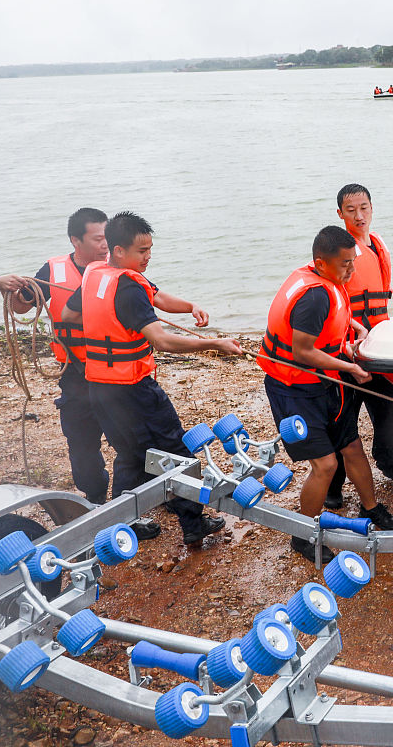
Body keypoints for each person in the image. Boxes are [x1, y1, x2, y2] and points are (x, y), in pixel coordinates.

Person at [61, 211, 240, 543]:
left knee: (129, 455)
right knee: (179, 453)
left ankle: (121, 526)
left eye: (150, 249)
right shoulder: (127, 288)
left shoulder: (96, 274)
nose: (148, 256)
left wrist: (190, 306)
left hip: (99, 387)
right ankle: (193, 525)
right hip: (134, 391)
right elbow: (161, 340)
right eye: (141, 251)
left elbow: (71, 313)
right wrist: (213, 343)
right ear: (118, 251)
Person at [260, 225, 393, 560]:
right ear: (321, 264)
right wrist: (350, 366)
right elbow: (303, 350)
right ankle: (303, 535)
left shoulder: (326, 282)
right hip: (295, 388)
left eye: (353, 262)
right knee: (324, 464)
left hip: (325, 384)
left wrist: (355, 328)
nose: (351, 270)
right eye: (345, 265)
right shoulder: (315, 295)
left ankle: (371, 508)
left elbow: (331, 322)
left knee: (351, 446)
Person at [0, 208, 111, 504]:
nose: (106, 244)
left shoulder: (119, 266)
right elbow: (22, 307)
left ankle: (134, 499)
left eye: (107, 237)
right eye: (98, 238)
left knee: (131, 438)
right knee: (81, 443)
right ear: (76, 240)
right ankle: (96, 500)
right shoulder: (53, 270)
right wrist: (4, 288)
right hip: (74, 371)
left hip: (117, 368)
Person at [324, 184, 393, 510]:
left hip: (379, 345)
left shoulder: (377, 246)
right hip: (345, 351)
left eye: (364, 208)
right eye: (351, 210)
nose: (359, 216)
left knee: (390, 408)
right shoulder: (337, 253)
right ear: (340, 214)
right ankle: (334, 484)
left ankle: (388, 462)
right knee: (342, 421)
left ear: (372, 208)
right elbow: (329, 301)